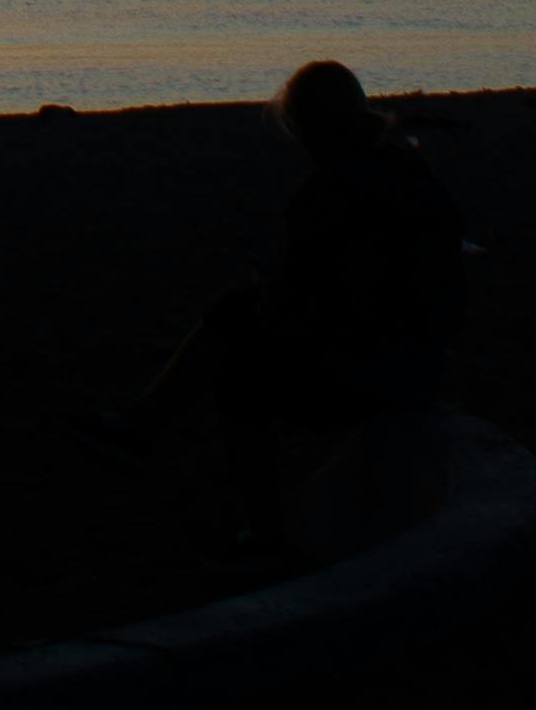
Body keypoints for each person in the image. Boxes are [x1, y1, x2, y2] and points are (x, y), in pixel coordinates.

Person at [94, 56, 465, 545]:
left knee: (238, 371)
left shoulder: (331, 194)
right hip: (421, 357)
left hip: (380, 370)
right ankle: (142, 424)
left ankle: (263, 527)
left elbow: (317, 308)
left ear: (307, 129)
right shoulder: (404, 170)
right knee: (237, 314)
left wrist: (269, 304)